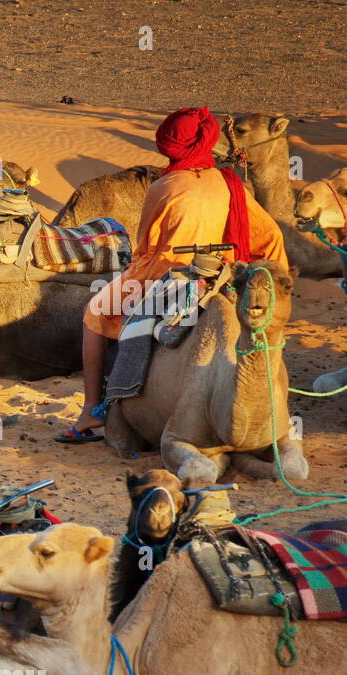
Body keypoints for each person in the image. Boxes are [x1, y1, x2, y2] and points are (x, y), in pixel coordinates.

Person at [58, 105, 288, 443]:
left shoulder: (163, 187)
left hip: (170, 274)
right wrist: (259, 275)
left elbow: (147, 246)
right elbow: (271, 236)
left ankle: (91, 409)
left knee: (95, 313)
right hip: (224, 274)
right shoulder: (231, 186)